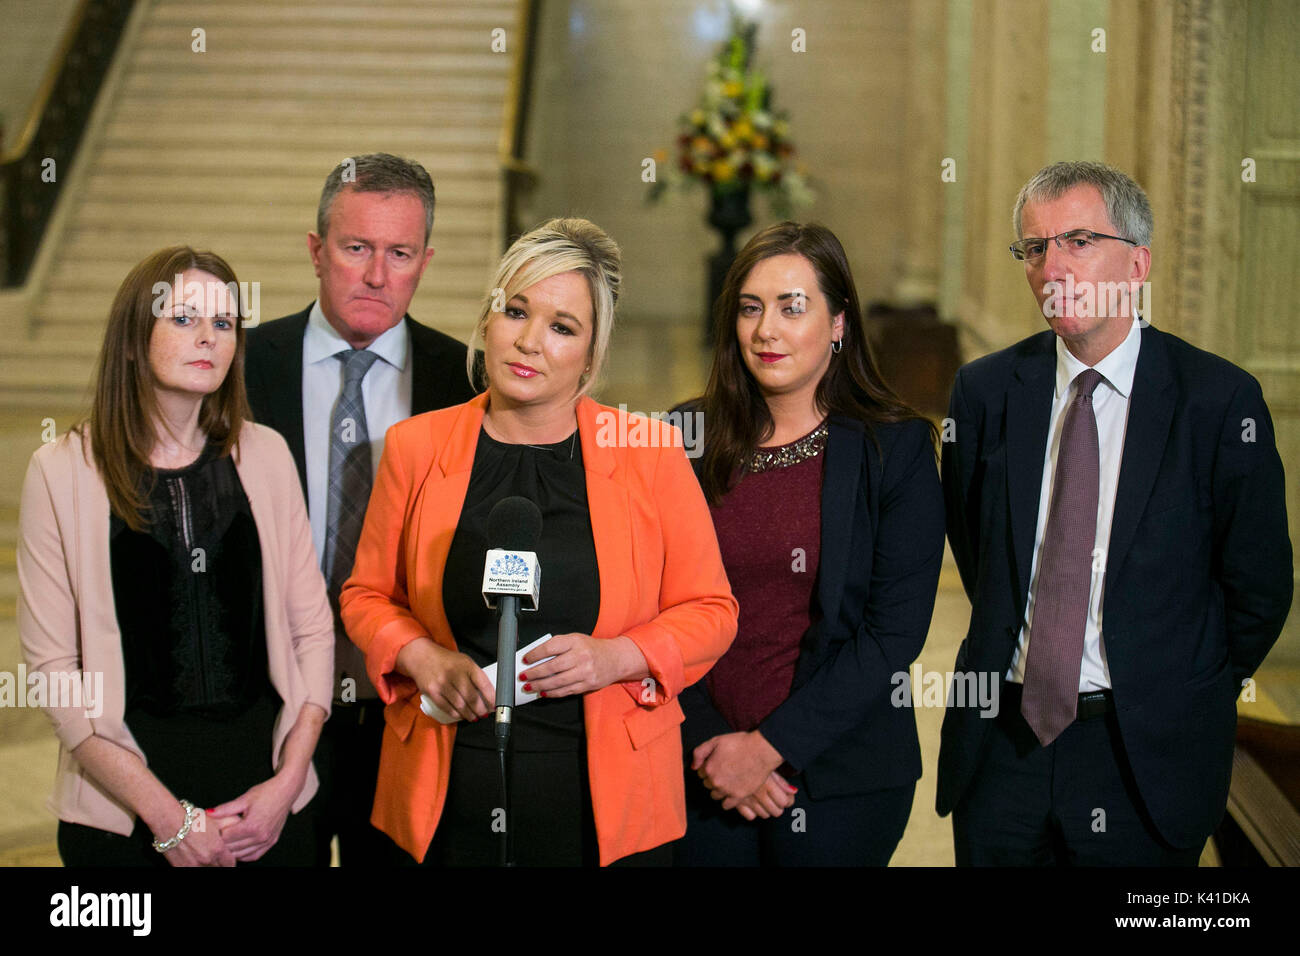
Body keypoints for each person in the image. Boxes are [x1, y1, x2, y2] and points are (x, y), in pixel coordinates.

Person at [340, 217, 738, 866]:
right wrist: (419, 656)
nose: (529, 341)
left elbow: (713, 612)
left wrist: (620, 656)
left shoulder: (651, 450)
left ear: (591, 353)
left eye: (562, 327)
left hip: (605, 806)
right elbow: (366, 595)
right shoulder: (416, 448)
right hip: (445, 791)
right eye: (515, 311)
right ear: (487, 319)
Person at [937, 160, 1293, 865]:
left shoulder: (1218, 403)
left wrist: (1176, 686)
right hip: (1003, 749)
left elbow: (1257, 590)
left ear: (1138, 263)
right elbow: (982, 558)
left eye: (1077, 241)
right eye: (1034, 248)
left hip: (1143, 756)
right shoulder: (984, 392)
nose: (1051, 265)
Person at [17, 246, 335, 866]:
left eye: (223, 323)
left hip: (266, 803)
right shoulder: (60, 471)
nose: (209, 339)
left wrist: (289, 781)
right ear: (136, 338)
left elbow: (312, 630)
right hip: (124, 810)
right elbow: (53, 668)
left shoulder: (264, 454)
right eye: (185, 318)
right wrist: (169, 819)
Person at [673, 221, 944, 866]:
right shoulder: (685, 435)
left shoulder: (894, 448)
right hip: (699, 761)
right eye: (750, 307)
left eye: (793, 307)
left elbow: (893, 633)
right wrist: (716, 746)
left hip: (842, 774)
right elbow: (652, 604)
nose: (766, 330)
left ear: (838, 322)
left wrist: (767, 749)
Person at [244, 152, 476, 865]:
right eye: (356, 249)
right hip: (272, 705)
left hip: (410, 712)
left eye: (400, 253)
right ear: (317, 251)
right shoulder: (242, 367)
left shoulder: (467, 381)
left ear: (425, 261)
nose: (377, 275)